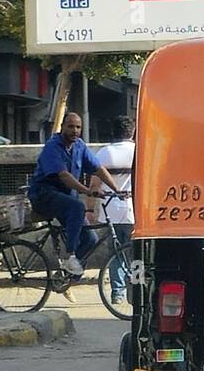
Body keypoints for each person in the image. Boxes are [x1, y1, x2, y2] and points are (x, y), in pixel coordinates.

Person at [27, 112, 121, 278]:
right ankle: (69, 255)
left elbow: (98, 168)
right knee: (77, 206)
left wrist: (117, 190)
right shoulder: (53, 146)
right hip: (44, 195)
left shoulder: (79, 146)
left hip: (65, 199)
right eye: (70, 126)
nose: (75, 130)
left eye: (78, 127)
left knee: (90, 239)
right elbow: (64, 175)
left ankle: (65, 277)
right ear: (62, 127)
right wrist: (87, 191)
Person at [92, 115, 136, 305]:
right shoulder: (140, 152)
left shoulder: (103, 153)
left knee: (114, 252)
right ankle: (136, 289)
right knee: (136, 252)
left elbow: (94, 184)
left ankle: (117, 292)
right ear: (132, 131)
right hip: (135, 209)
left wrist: (89, 209)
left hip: (110, 210)